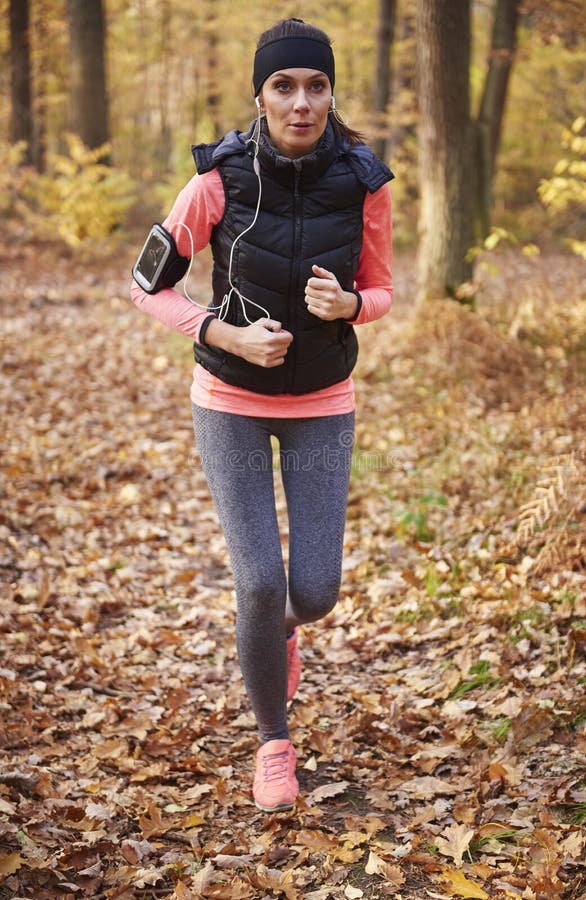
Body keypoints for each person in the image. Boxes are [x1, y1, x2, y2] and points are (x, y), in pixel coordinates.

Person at [131, 17, 394, 813]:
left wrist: (351, 303)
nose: (301, 101)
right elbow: (148, 285)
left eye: (316, 85)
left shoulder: (364, 179)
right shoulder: (215, 180)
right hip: (229, 402)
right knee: (257, 580)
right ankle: (273, 744)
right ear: (260, 94)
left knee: (311, 591)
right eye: (284, 85)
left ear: (330, 93)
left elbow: (382, 288)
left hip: (322, 403)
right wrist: (222, 334)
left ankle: (278, 633)